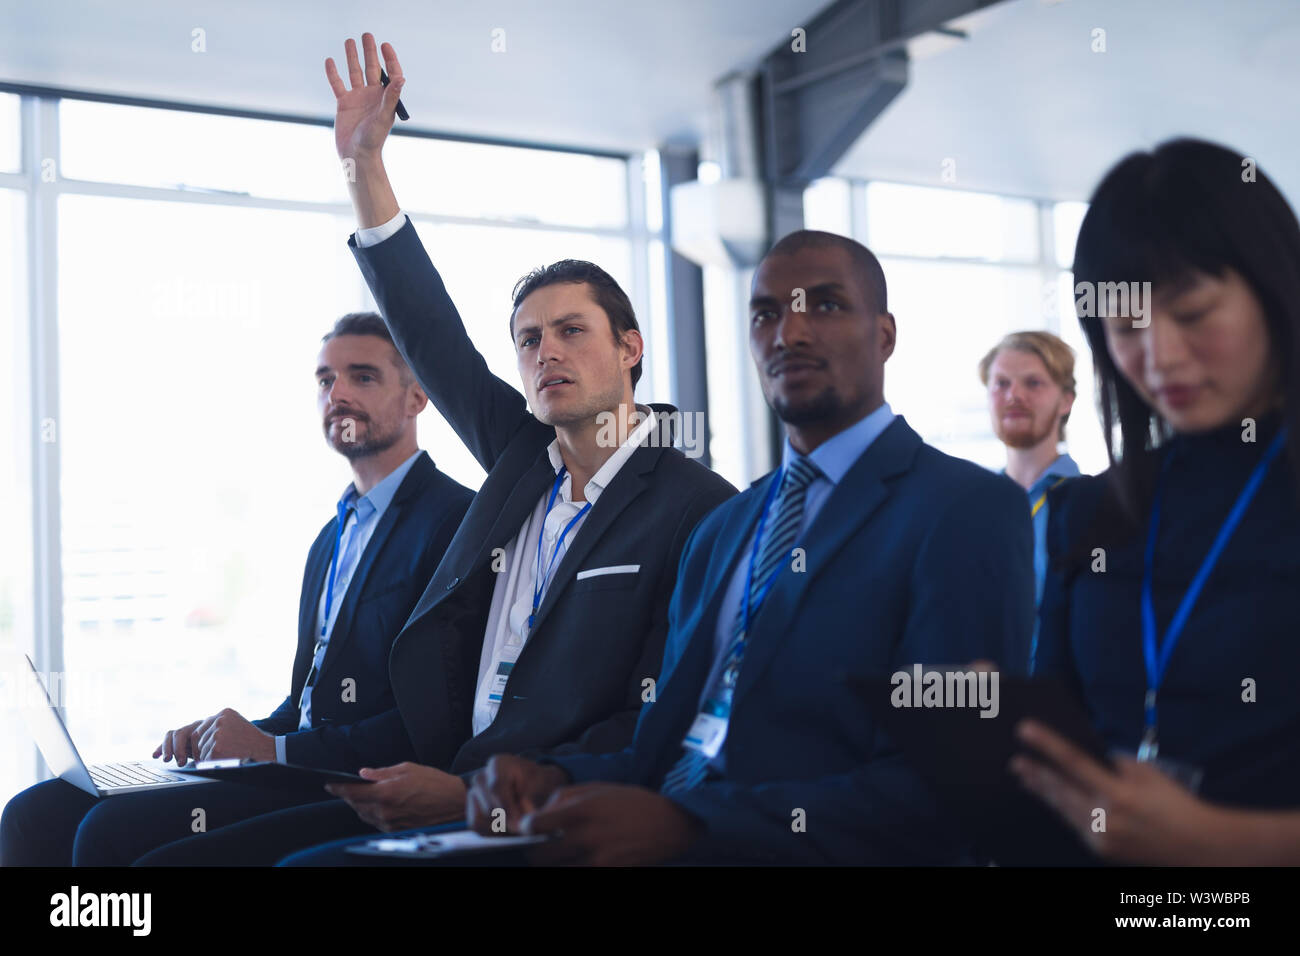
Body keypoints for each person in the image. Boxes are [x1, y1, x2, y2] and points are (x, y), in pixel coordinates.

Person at [127, 33, 736, 866]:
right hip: (427, 780)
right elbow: (433, 334)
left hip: (536, 810)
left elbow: (660, 718)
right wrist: (362, 166)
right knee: (147, 850)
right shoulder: (522, 462)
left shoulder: (696, 505)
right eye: (528, 340)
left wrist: (481, 793)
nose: (545, 353)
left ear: (630, 346)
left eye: (571, 331)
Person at [282, 226, 1036, 867]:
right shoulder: (734, 531)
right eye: (765, 313)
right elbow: (659, 741)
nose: (790, 332)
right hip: (624, 824)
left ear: (885, 335)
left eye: (824, 306)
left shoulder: (963, 510)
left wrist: (687, 826)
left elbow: (952, 790)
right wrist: (540, 782)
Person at [0, 312, 474, 866]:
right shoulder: (332, 537)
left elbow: (432, 720)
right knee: (34, 812)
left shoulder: (456, 522)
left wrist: (272, 749)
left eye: (362, 376)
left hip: (356, 784)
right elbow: (308, 705)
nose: (337, 393)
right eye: (325, 380)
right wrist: (228, 738)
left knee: (110, 833)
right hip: (298, 763)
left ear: (417, 396)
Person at [1016, 137, 1300, 865]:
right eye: (1127, 326)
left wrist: (1226, 845)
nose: (1159, 356)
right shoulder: (1093, 511)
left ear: (1275, 292)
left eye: (1194, 312)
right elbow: (1061, 738)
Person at [979, 330, 1083, 671]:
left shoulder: (1095, 505)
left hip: (1062, 704)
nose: (1014, 396)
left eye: (1033, 383)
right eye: (1001, 383)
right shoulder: (966, 505)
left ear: (1066, 400)